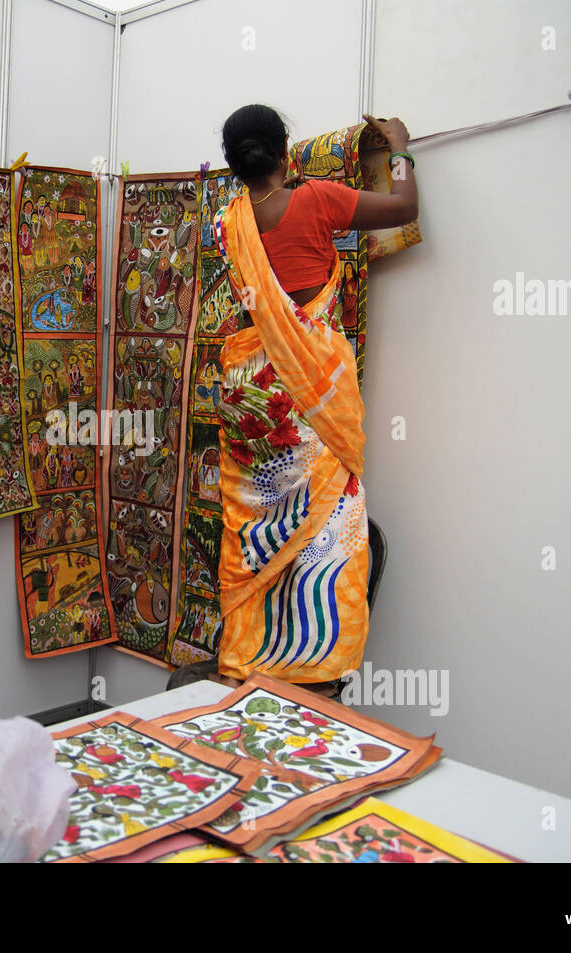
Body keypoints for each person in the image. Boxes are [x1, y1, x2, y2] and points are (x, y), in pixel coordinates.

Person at [210, 104, 418, 691]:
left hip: (253, 394)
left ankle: (252, 659)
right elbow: (404, 208)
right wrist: (399, 149)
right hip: (309, 396)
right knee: (328, 520)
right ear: (285, 151)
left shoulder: (227, 223)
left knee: (259, 522)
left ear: (233, 163)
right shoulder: (318, 199)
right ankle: (316, 669)